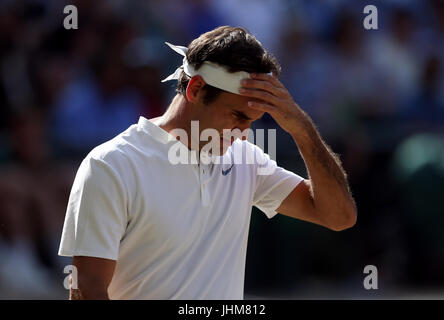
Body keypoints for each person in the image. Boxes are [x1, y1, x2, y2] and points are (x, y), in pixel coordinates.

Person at [58, 26, 357, 300]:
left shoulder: (245, 157)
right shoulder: (111, 165)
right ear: (196, 89)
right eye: (238, 116)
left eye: (251, 121)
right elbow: (86, 290)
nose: (244, 133)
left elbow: (339, 216)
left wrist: (301, 128)